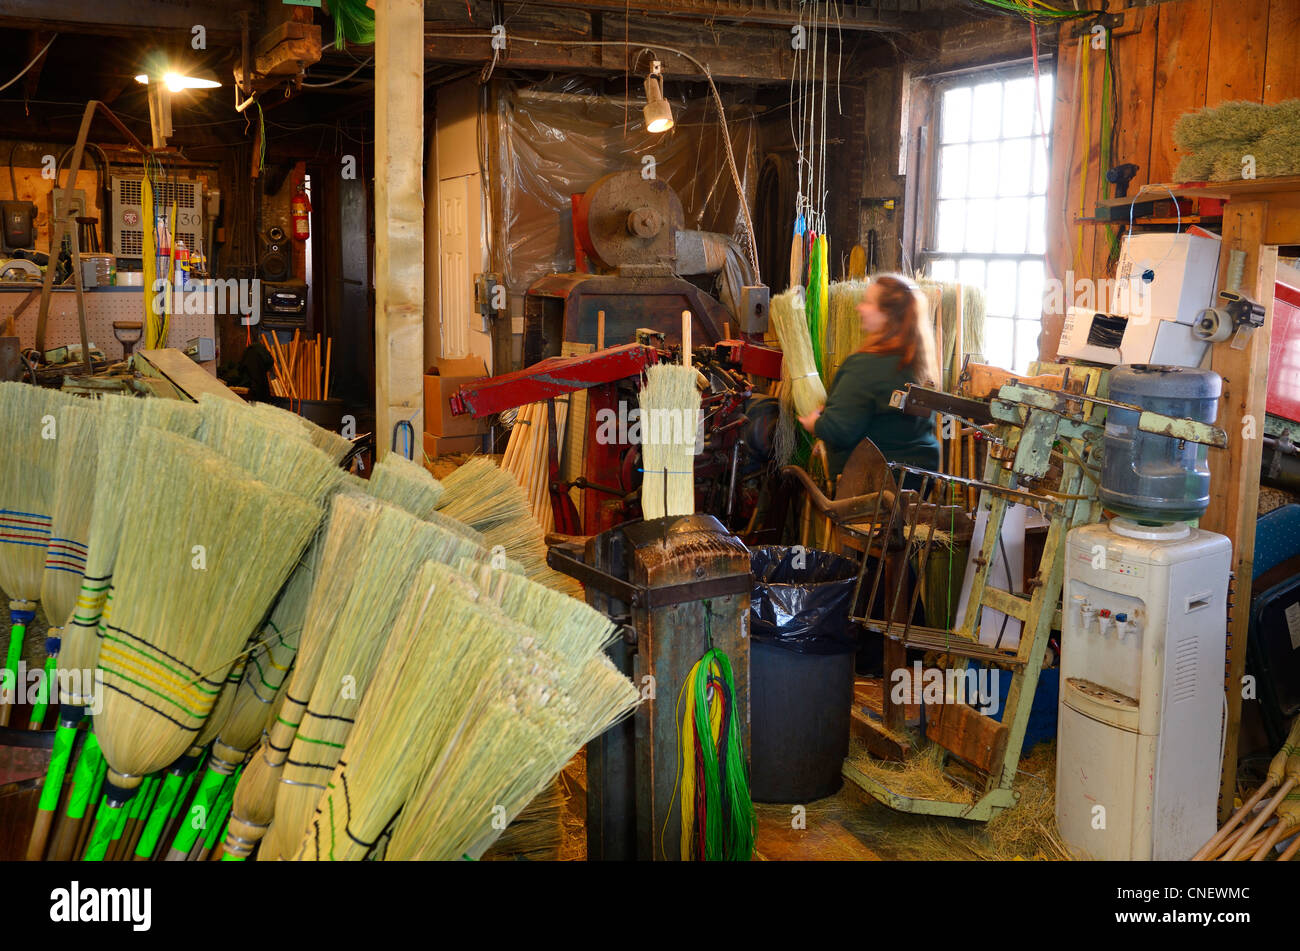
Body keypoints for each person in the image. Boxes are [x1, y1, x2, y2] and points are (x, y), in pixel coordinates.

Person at [798, 274, 941, 485]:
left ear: (887, 314)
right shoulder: (919, 364)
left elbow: (839, 430)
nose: (859, 308)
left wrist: (815, 424)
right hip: (918, 484)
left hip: (873, 488)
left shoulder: (866, 365)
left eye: (868, 303)